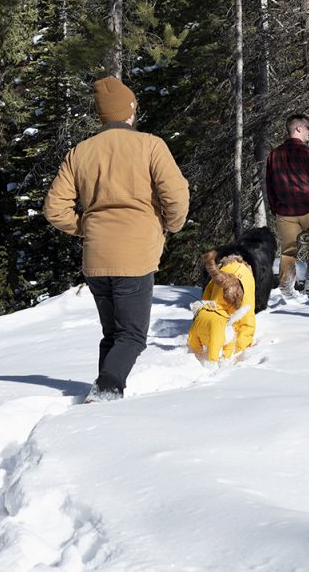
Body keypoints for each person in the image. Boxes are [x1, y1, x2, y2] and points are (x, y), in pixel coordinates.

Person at [43, 75, 189, 402]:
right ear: (130, 111)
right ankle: (107, 390)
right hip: (135, 256)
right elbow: (176, 195)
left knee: (112, 335)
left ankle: (103, 396)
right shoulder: (150, 145)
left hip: (96, 257)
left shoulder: (80, 152)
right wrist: (171, 224)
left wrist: (87, 227)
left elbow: (54, 208)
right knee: (132, 336)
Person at [265, 112, 309, 298]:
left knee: (288, 252)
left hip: (284, 212)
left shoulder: (274, 154)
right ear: (298, 128)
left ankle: (286, 289)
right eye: (308, 128)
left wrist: (275, 209)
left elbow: (269, 186)